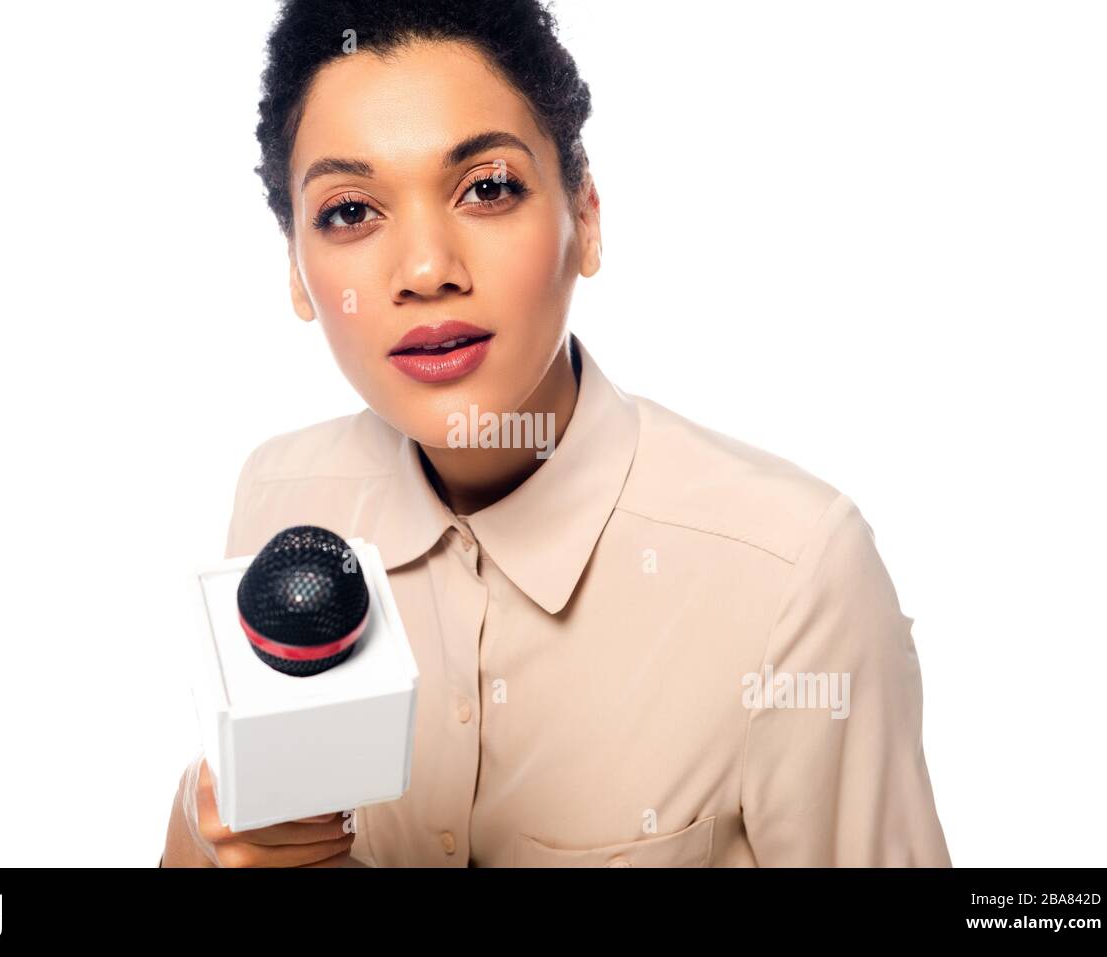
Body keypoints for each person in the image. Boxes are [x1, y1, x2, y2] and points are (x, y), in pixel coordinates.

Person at [161, 0, 952, 868]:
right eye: (351, 211)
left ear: (588, 215)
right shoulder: (279, 501)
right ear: (296, 270)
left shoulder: (796, 574)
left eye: (488, 187)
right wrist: (202, 834)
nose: (426, 271)